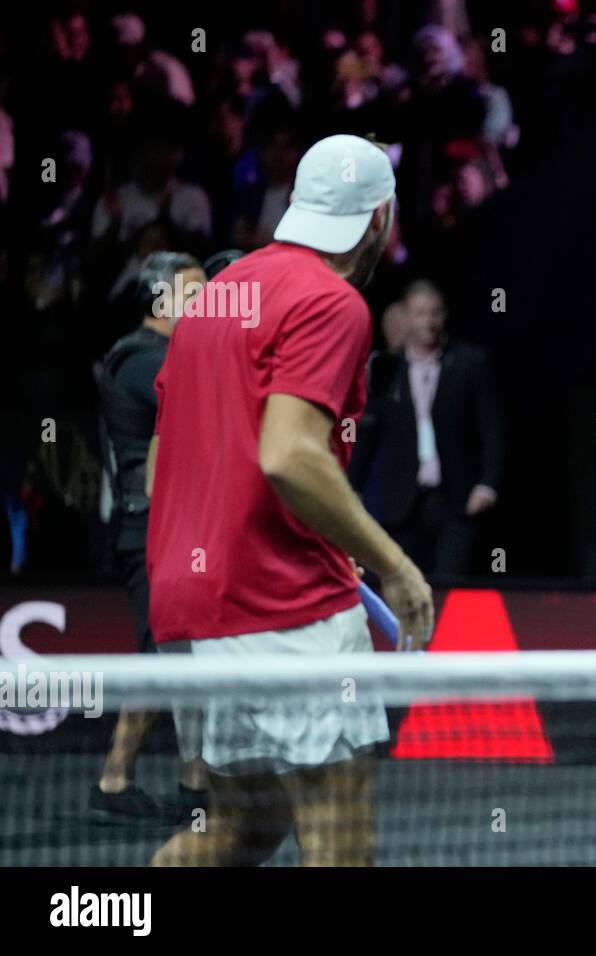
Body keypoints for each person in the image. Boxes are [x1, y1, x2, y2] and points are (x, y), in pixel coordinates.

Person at [147, 134, 433, 867]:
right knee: (340, 836)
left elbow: (163, 470)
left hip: (191, 602)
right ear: (380, 219)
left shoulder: (219, 294)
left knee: (242, 830)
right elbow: (288, 454)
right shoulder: (332, 303)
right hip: (282, 603)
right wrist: (394, 565)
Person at [92, 250, 209, 825]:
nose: (210, 304)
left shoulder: (168, 355)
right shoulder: (141, 360)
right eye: (197, 294)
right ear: (163, 299)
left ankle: (194, 782)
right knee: (162, 653)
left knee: (179, 653)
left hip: (179, 525)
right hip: (148, 529)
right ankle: (115, 780)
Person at [349, 280, 505, 579]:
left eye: (434, 313)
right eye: (420, 314)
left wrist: (487, 484)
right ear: (405, 317)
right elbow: (368, 432)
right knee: (405, 584)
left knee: (451, 584)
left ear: (444, 315)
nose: (428, 322)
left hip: (457, 499)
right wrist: (352, 486)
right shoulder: (386, 369)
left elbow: (492, 430)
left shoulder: (471, 363)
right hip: (401, 501)